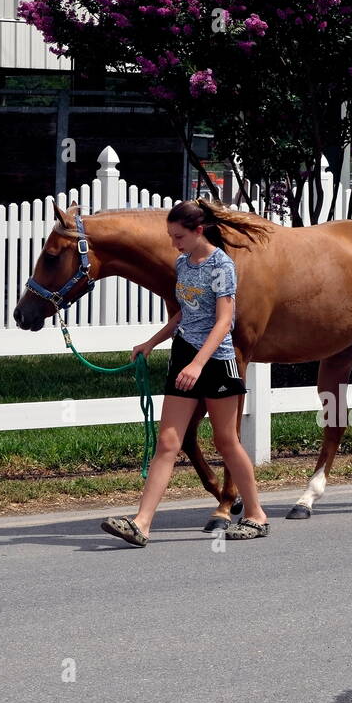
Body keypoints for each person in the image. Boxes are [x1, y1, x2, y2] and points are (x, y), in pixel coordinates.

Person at [101, 198, 272, 546]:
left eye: (178, 236)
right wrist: (151, 342)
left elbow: (225, 321)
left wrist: (198, 364)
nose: (173, 243)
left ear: (198, 231)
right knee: (168, 442)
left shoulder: (221, 265)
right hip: (184, 355)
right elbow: (185, 312)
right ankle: (142, 523)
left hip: (216, 360)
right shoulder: (183, 264)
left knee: (226, 441)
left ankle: (255, 514)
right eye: (170, 236)